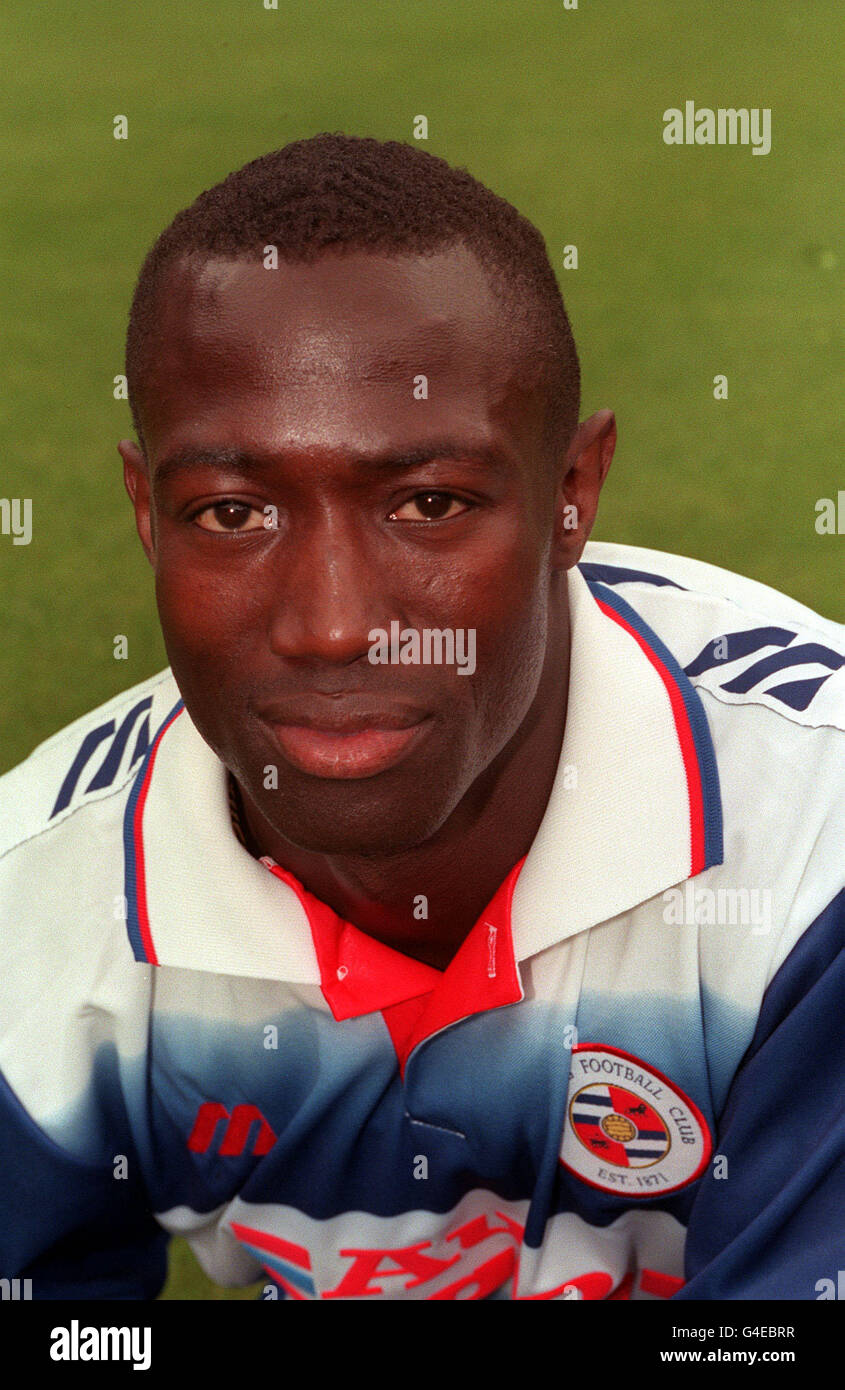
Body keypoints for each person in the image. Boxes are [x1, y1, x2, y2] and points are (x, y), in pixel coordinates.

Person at [0, 135, 842, 1301]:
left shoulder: (814, 839)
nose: (334, 626)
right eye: (233, 511)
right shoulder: (33, 907)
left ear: (570, 494)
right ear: (148, 513)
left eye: (427, 502)